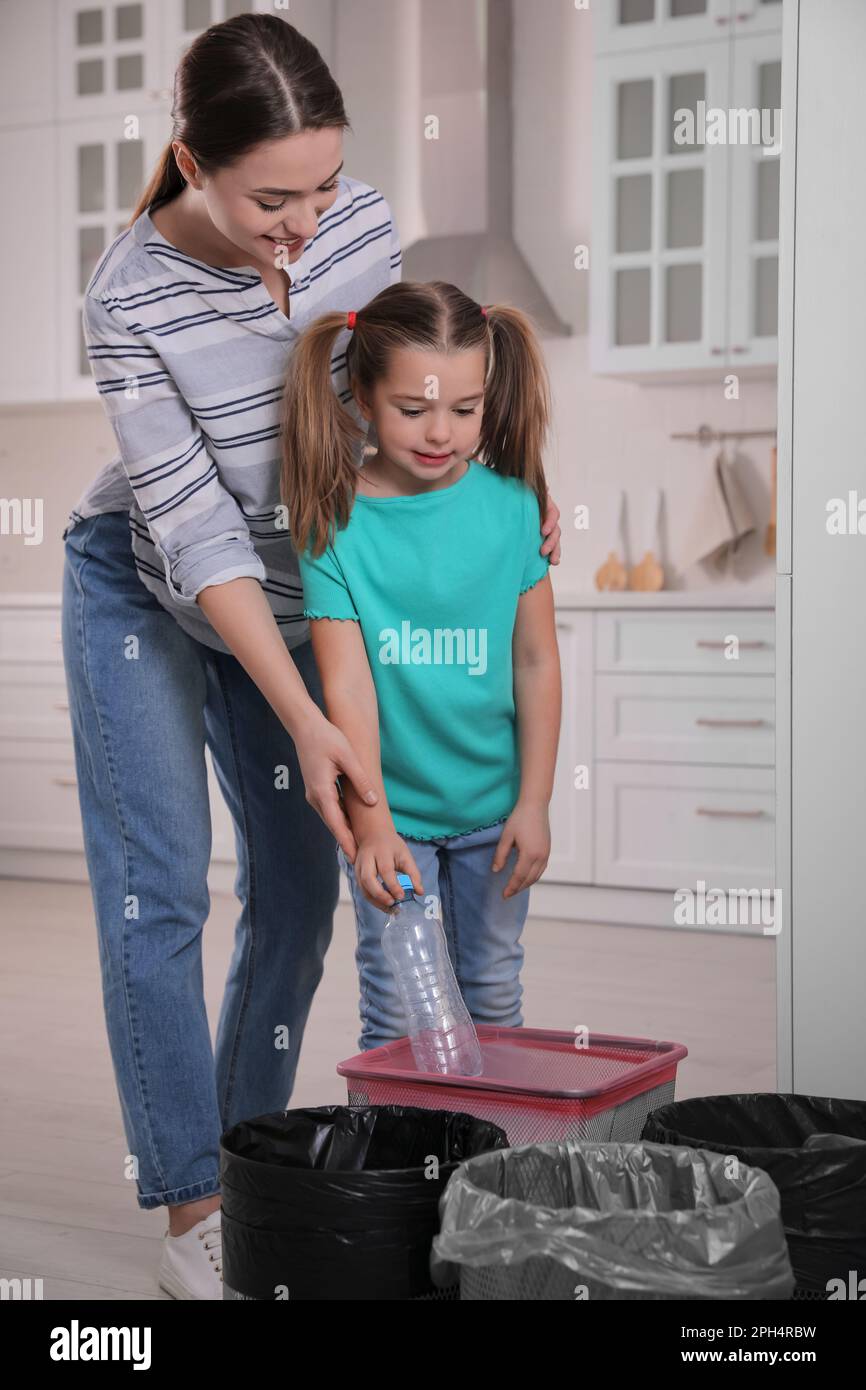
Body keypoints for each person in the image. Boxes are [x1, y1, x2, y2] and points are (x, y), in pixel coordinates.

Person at [60, 14, 563, 1299]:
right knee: (161, 891)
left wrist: (500, 492)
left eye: (324, 186)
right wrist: (303, 714)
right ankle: (192, 1203)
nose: (305, 224)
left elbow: (405, 401)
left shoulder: (360, 227)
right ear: (191, 161)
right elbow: (195, 530)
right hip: (150, 585)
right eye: (270, 200)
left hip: (298, 595)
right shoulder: (127, 298)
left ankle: (253, 1160)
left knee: (295, 894)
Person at [282, 281, 562, 1052]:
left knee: (493, 994)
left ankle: (489, 1136)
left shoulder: (514, 508)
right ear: (364, 396)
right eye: (414, 409)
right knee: (398, 1013)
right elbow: (346, 683)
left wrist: (535, 802)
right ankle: (403, 1139)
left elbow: (537, 661)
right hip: (393, 816)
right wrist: (372, 825)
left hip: (493, 813)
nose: (442, 432)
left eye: (466, 410)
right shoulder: (334, 524)